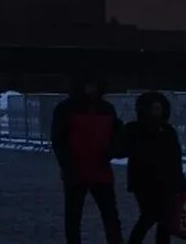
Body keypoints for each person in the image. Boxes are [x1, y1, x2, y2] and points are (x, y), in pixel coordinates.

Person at [52, 71, 124, 244]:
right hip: (76, 171)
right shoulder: (66, 108)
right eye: (89, 85)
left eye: (94, 85)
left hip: (100, 170)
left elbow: (115, 136)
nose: (92, 89)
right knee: (74, 217)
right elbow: (58, 141)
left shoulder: (106, 108)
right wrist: (68, 166)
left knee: (110, 216)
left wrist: (111, 151)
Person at [123, 91, 186, 244]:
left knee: (165, 220)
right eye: (153, 108)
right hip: (143, 182)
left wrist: (180, 181)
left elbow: (175, 158)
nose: (157, 112)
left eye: (159, 108)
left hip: (166, 183)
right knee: (149, 216)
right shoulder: (135, 129)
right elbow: (125, 149)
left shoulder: (168, 131)